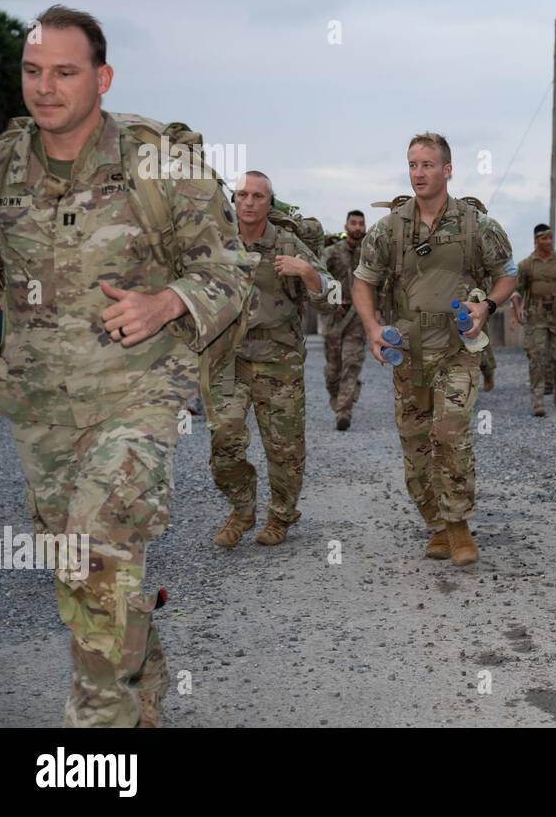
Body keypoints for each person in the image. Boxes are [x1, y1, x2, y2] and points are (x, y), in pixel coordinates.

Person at [0, 5, 252, 725]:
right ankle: (141, 703)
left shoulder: (158, 162)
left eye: (65, 72)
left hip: (138, 398)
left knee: (96, 555)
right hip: (40, 408)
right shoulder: (0, 165)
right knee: (91, 581)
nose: (45, 87)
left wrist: (166, 301)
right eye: (33, 71)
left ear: (101, 78)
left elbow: (230, 274)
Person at [351, 132, 515, 566]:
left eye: (427, 165)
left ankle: (459, 525)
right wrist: (372, 327)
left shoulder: (476, 225)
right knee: (415, 441)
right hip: (408, 351)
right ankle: (436, 523)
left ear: (447, 169)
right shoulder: (390, 229)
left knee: (452, 431)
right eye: (412, 165)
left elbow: (507, 276)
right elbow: (363, 281)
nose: (418, 173)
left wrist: (487, 306)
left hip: (457, 348)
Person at [208, 171, 335, 547]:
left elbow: (333, 297)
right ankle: (242, 511)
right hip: (227, 358)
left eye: (258, 196)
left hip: (278, 361)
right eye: (242, 195)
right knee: (224, 441)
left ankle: (281, 515)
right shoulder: (216, 241)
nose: (248, 202)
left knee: (285, 448)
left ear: (269, 203)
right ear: (233, 201)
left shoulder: (286, 243)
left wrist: (309, 273)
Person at [510, 223, 556, 416]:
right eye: (544, 238)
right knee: (537, 357)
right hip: (536, 315)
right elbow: (516, 290)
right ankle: (537, 400)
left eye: (550, 238)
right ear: (536, 241)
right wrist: (517, 309)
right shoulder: (526, 265)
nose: (548, 241)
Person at [322, 209, 369, 430]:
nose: (357, 227)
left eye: (361, 223)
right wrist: (330, 300)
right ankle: (339, 397)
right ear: (346, 226)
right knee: (333, 370)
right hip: (334, 318)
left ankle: (344, 412)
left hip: (358, 317)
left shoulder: (370, 256)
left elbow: (379, 283)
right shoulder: (331, 252)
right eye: (354, 223)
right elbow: (318, 276)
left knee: (352, 364)